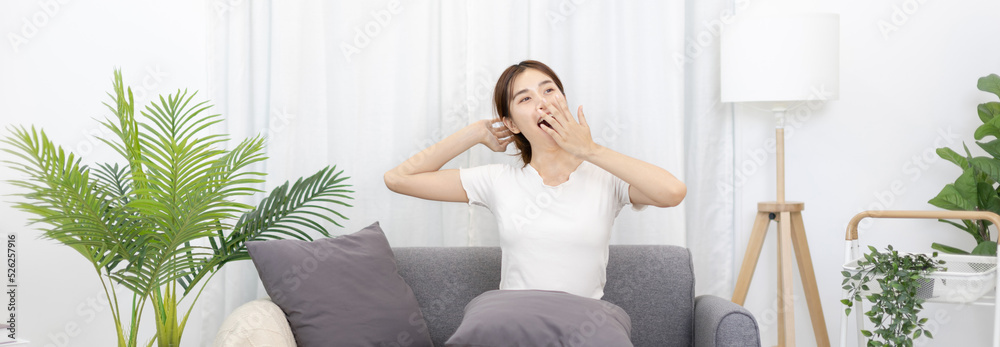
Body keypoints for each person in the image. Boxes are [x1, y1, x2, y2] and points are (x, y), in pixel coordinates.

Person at [384, 60, 685, 300]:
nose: (542, 103)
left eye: (549, 90)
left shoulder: (606, 177)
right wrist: (474, 133)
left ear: (564, 100)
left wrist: (591, 150)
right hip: (517, 326)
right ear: (511, 123)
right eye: (525, 98)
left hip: (582, 327)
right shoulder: (497, 180)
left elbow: (672, 192)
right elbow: (398, 179)